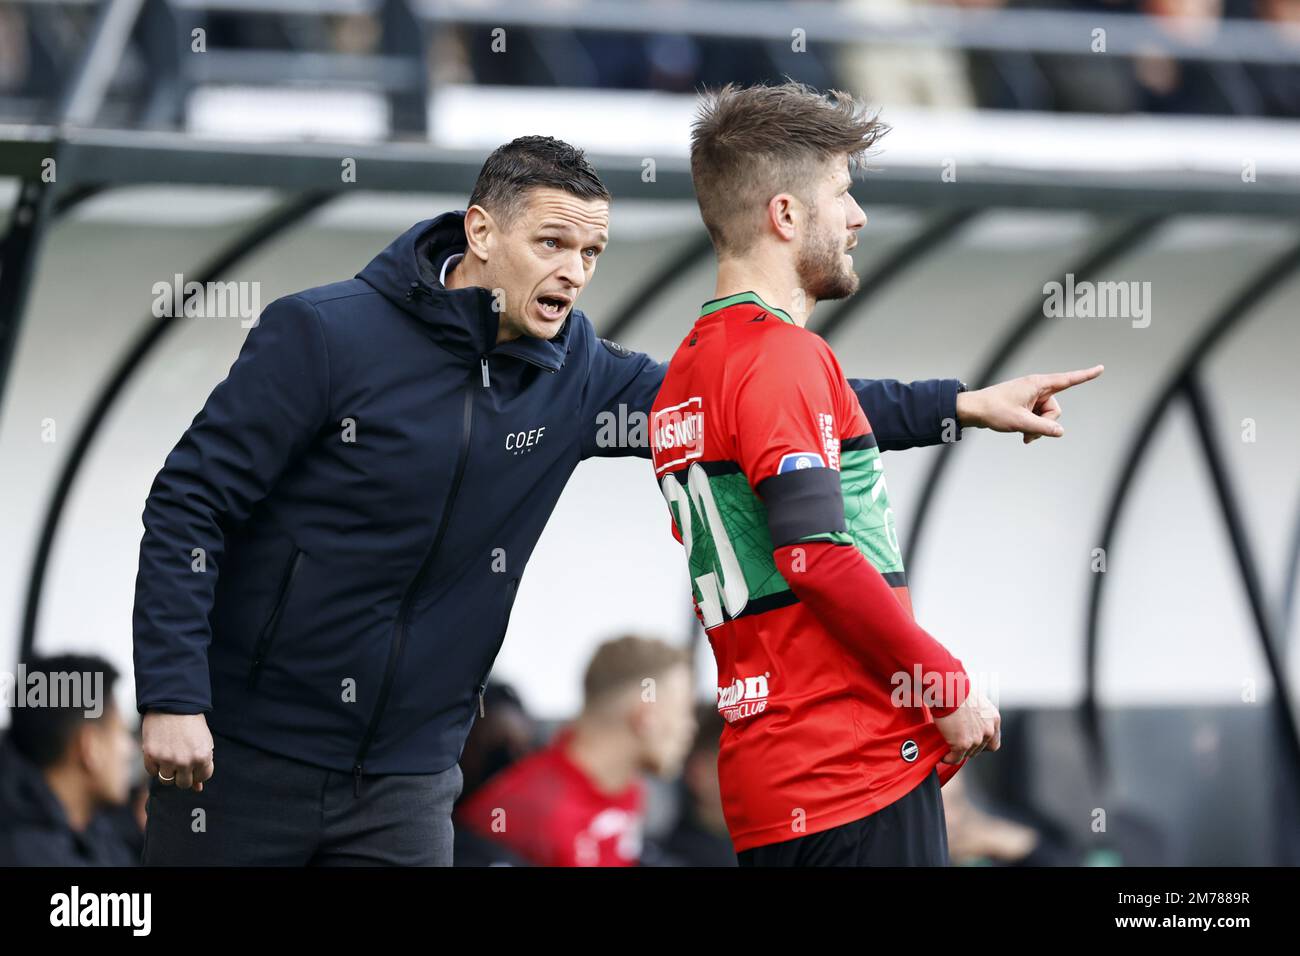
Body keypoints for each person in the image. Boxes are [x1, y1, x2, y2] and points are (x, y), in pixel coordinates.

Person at [134, 133, 1099, 866]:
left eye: (591, 252)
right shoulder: (326, 334)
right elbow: (189, 505)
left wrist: (958, 406)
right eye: (551, 242)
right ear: (480, 231)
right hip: (245, 752)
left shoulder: (578, 375)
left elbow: (756, 410)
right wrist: (175, 695)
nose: (573, 272)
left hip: (407, 775)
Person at [651, 80, 1101, 866]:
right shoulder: (784, 356)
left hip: (774, 780)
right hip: (847, 770)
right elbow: (814, 555)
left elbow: (832, 423)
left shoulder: (688, 374)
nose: (858, 218)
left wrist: (962, 405)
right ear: (785, 216)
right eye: (843, 195)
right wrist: (943, 683)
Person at [455, 635, 695, 866]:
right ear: (645, 716)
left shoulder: (625, 788)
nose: (690, 728)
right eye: (684, 711)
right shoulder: (542, 812)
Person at [0, 654, 138, 866]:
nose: (131, 749)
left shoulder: (93, 834)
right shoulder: (27, 855)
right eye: (122, 733)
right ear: (90, 747)